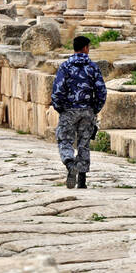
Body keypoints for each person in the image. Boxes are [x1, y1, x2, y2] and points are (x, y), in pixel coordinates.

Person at [50, 35, 107, 189]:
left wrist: (59, 108)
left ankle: (69, 163)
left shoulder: (65, 66)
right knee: (84, 144)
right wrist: (95, 109)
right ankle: (82, 180)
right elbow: (101, 91)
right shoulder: (93, 67)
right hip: (87, 110)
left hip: (68, 110)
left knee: (65, 140)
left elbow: (57, 90)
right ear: (86, 48)